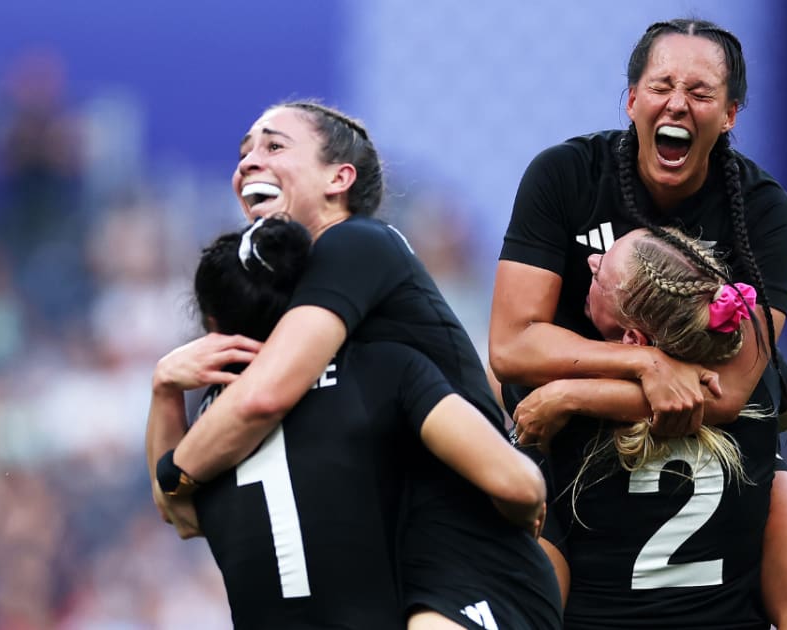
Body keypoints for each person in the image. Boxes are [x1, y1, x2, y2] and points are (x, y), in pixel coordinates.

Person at [488, 18, 787, 630]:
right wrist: (642, 364)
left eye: (702, 92)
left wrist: (570, 394)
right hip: (570, 423)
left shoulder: (765, 213)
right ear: (631, 100)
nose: (677, 102)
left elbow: (730, 392)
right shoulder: (564, 175)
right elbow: (511, 345)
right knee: (524, 594)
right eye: (660, 85)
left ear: (731, 114)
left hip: (687, 407)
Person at [145, 102, 562, 628]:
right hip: (401, 568)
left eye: (274, 146)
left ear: (340, 178)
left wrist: (174, 471)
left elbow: (261, 399)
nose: (249, 162)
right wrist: (164, 388)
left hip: (468, 554)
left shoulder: (356, 241)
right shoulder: (303, 312)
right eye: (244, 151)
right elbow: (183, 512)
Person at [515, 227, 776, 628]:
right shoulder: (757, 398)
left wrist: (568, 394)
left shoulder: (557, 413)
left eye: (602, 275)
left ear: (633, 340)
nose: (591, 260)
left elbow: (537, 586)